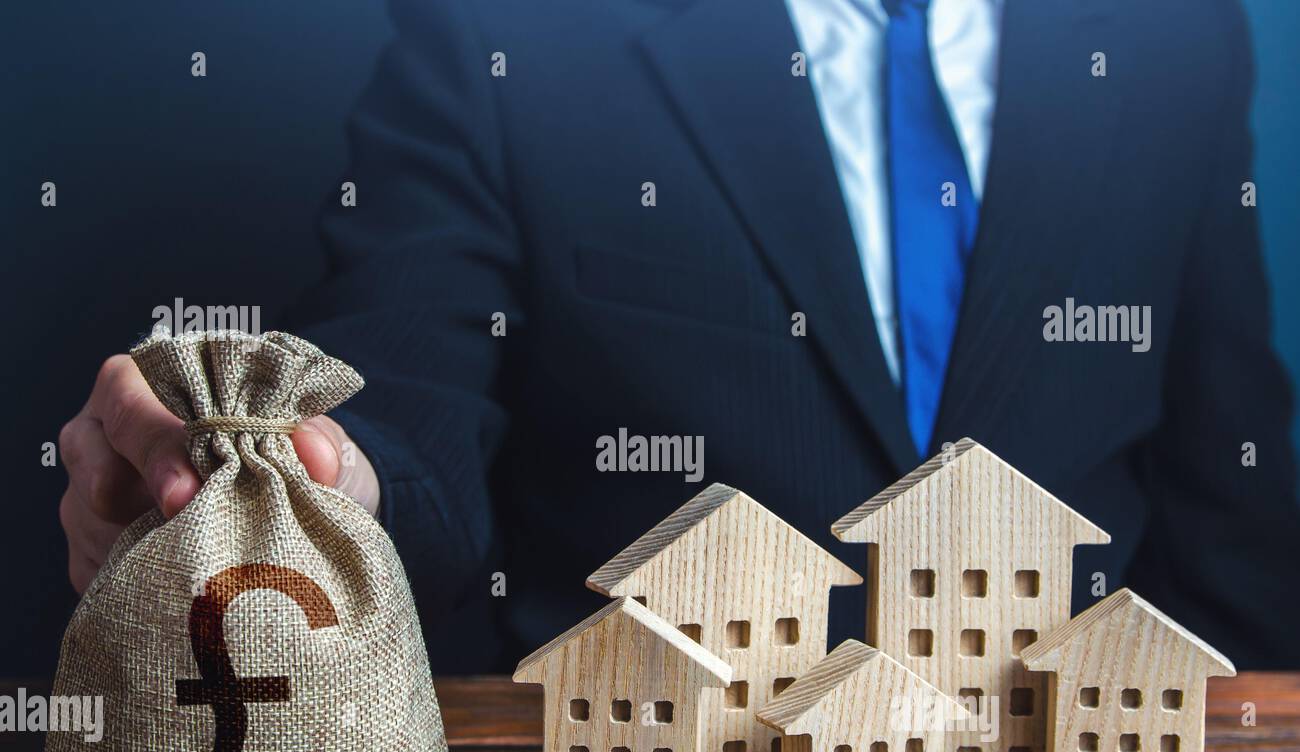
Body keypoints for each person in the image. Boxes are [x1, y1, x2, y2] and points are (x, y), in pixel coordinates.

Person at [56, 0, 1300, 673]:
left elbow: (1225, 478)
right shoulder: (509, 33)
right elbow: (411, 388)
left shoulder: (1174, 36)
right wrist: (313, 489)